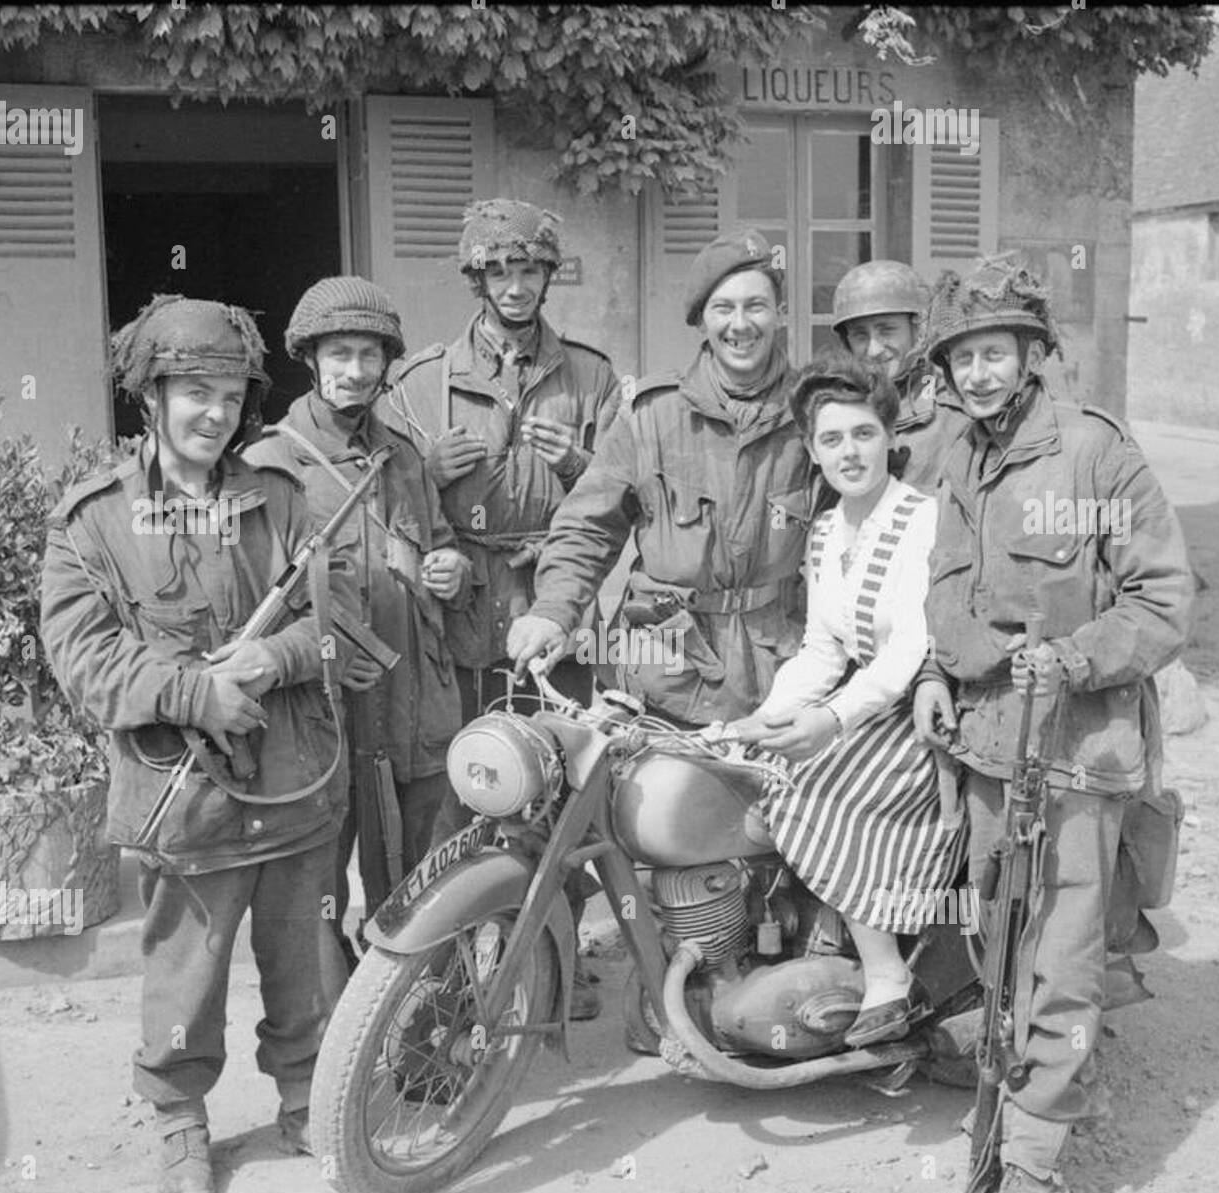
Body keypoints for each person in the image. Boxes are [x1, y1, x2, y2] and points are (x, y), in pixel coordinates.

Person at [911, 255, 1194, 1193]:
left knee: (1061, 957)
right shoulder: (958, 454)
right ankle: (1000, 1117)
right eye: (962, 357)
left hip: (1078, 748)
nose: (979, 373)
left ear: (1031, 353)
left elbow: (1162, 603)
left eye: (995, 352)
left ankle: (1032, 1174)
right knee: (998, 949)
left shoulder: (1093, 454)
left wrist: (1067, 660)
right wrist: (946, 667)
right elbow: (944, 584)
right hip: (992, 744)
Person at [40, 296, 350, 1193]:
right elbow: (86, 661)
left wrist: (277, 653)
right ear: (151, 396)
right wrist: (195, 693)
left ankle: (305, 1097)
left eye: (228, 394)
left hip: (296, 781)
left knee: (307, 960)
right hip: (184, 798)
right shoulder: (93, 521)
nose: (213, 412)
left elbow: (350, 628)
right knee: (186, 971)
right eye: (193, 392)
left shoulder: (283, 499)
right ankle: (181, 1121)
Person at [377, 199, 619, 1017]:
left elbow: (624, 498)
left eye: (529, 269)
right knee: (455, 792)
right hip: (457, 613)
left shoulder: (591, 376)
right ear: (476, 277)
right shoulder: (420, 381)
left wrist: (582, 460)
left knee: (561, 788)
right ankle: (443, 971)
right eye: (499, 270)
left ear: (548, 276)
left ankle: (557, 955)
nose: (515, 285)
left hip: (555, 606)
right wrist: (428, 474)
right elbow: (385, 510)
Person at [716, 357, 967, 1044]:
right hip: (861, 701)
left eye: (863, 434)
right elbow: (823, 650)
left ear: (889, 436)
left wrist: (828, 720)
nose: (849, 452)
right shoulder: (826, 531)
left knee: (821, 791)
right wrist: (763, 717)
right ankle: (790, 946)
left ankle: (887, 974)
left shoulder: (921, 519)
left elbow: (909, 648)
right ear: (813, 448)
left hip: (919, 706)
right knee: (756, 771)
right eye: (832, 440)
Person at [242, 277, 471, 972]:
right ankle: (330, 1029)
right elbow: (254, 599)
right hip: (325, 708)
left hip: (415, 698)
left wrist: (449, 568)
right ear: (309, 359)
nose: (355, 371)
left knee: (422, 870)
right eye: (339, 354)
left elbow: (439, 539)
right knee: (315, 875)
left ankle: (418, 1007)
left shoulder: (402, 454)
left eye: (369, 355)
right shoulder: (270, 461)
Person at [508, 228, 813, 729]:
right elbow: (588, 526)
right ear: (702, 321)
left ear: (779, 313)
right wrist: (553, 609)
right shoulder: (651, 415)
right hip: (666, 674)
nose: (740, 325)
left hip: (783, 673)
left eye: (756, 306)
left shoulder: (813, 413)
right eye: (723, 309)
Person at [831, 260, 965, 492]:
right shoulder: (836, 408)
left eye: (887, 330)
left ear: (918, 330)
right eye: (860, 335)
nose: (874, 350)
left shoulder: (955, 407)